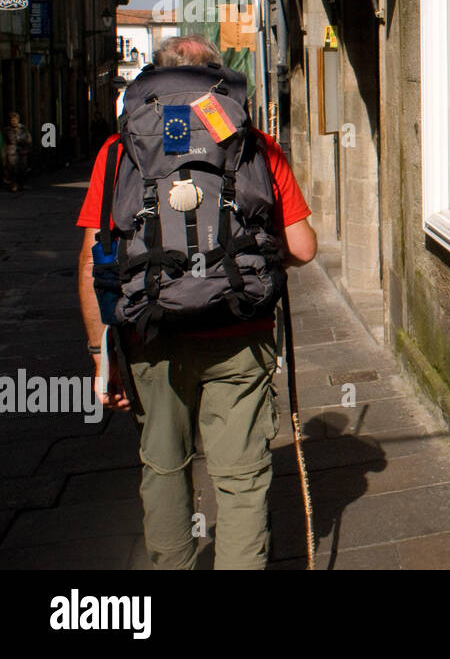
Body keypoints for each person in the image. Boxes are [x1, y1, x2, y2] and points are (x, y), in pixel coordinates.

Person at [75, 34, 317, 569]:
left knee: (163, 472)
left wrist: (100, 355)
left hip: (150, 338)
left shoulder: (118, 152)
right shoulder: (253, 143)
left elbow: (95, 260)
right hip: (239, 334)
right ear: (217, 80)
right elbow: (302, 247)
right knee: (242, 482)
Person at [2, 111, 32, 192]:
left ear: (18, 120)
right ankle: (13, 185)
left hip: (22, 151)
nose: (13, 122)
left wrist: (26, 145)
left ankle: (21, 185)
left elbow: (29, 138)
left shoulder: (23, 128)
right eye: (12, 120)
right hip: (11, 152)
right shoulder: (6, 130)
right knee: (12, 169)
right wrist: (4, 155)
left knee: (23, 169)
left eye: (15, 120)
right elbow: (4, 143)